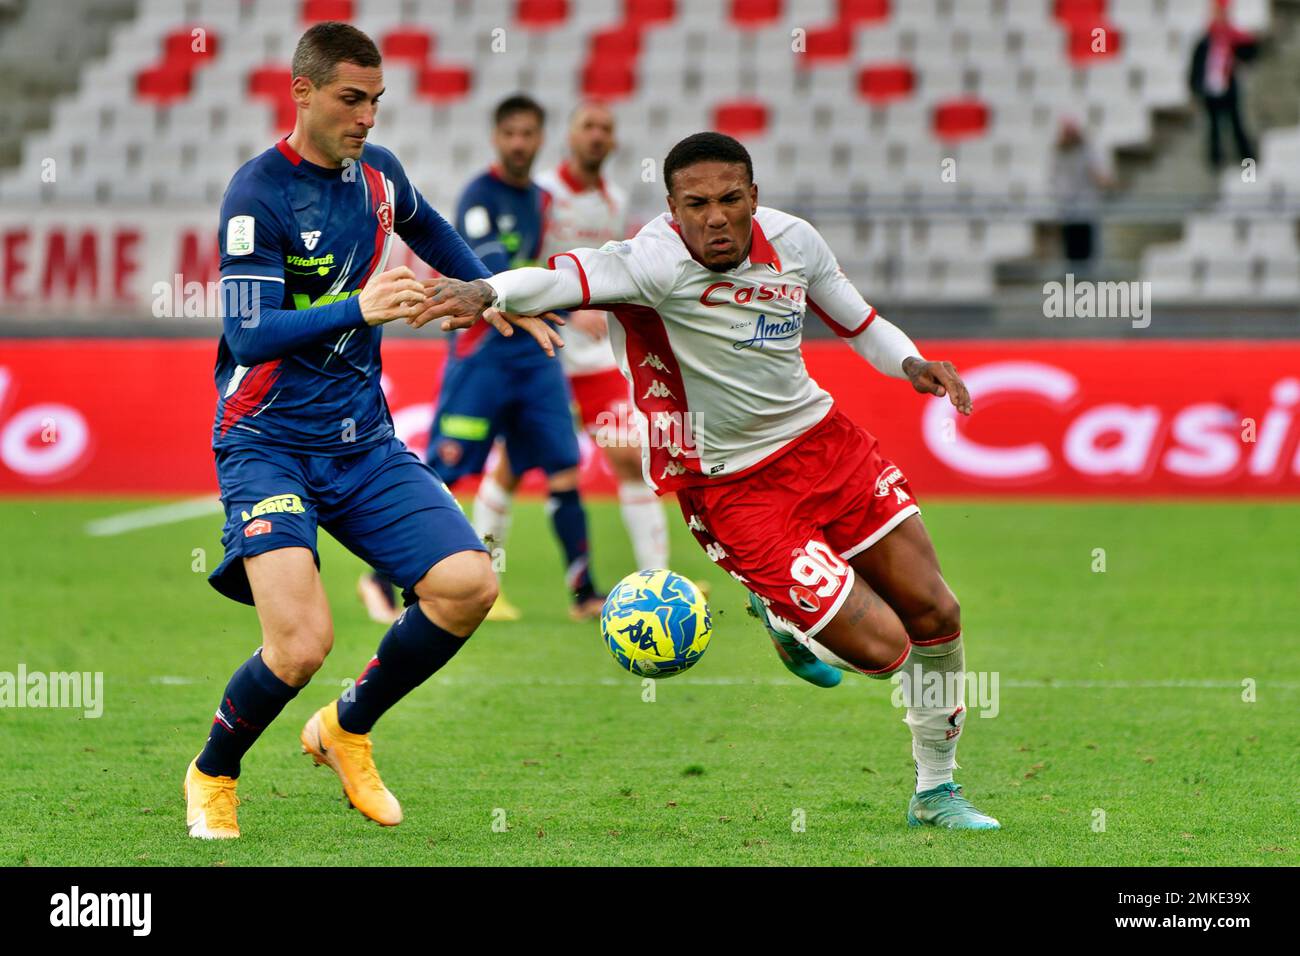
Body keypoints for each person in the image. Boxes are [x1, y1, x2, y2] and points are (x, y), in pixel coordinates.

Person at [413, 132, 1000, 830]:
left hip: (826, 447)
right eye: (697, 205)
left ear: (754, 196)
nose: (715, 218)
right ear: (672, 207)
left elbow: (858, 320)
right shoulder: (650, 263)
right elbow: (558, 279)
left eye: (730, 200)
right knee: (884, 653)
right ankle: (785, 614)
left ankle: (936, 791)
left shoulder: (796, 242)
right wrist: (485, 289)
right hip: (730, 489)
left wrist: (912, 362)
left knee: (938, 615)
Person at [188, 22, 558, 839]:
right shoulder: (257, 194)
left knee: (469, 585)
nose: (367, 117)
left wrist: (491, 292)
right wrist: (360, 305)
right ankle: (213, 771)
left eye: (377, 100)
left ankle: (345, 727)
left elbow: (430, 232)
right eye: (352, 99)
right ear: (304, 92)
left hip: (363, 442)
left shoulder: (380, 177)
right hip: (267, 442)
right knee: (300, 644)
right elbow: (248, 332)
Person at [361, 94, 603, 625]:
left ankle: (584, 592)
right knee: (451, 468)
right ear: (497, 138)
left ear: (541, 140)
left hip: (536, 359)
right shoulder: (478, 195)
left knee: (563, 467)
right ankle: (382, 575)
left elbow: (549, 267)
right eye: (510, 133)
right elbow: (489, 269)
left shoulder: (542, 201)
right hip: (484, 358)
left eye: (528, 134)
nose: (519, 143)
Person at [471, 101, 669, 620]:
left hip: (595, 356)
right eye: (588, 126)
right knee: (513, 466)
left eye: (606, 127)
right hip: (546, 350)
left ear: (614, 139)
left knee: (631, 457)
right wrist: (564, 305)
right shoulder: (542, 195)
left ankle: (658, 582)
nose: (597, 135)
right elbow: (525, 264)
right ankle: (482, 582)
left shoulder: (614, 200)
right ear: (571, 136)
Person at [1189, 0, 1259, 169]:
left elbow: (1249, 52)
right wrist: (1196, 87)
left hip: (1228, 89)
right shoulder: (1205, 40)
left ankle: (1247, 160)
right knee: (1214, 128)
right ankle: (1216, 162)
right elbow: (1196, 66)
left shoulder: (1232, 37)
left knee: (1236, 124)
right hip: (1210, 90)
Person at [1051, 116, 1115, 272]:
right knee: (1072, 251)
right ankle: (1075, 284)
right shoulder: (1059, 154)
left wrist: (1103, 181)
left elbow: (1100, 176)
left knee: (1087, 251)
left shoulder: (1087, 151)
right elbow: (1055, 180)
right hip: (1068, 209)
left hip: (1086, 208)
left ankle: (1088, 283)